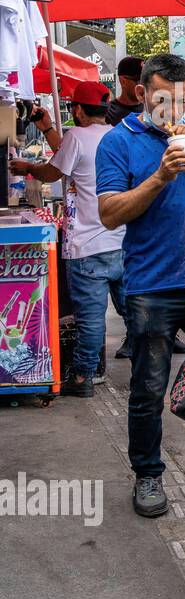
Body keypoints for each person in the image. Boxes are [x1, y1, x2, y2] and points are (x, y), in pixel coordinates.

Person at [97, 53, 185, 518]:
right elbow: (110, 214)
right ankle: (148, 474)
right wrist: (162, 175)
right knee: (149, 388)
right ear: (143, 94)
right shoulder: (117, 142)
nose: (175, 110)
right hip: (151, 287)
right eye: (165, 100)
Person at [10, 83, 129, 391]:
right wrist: (48, 128)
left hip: (86, 244)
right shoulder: (118, 135)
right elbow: (68, 156)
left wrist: (28, 168)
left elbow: (53, 172)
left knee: (90, 319)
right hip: (121, 241)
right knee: (133, 312)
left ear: (77, 110)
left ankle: (83, 378)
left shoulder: (76, 137)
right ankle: (144, 366)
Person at [107, 55, 143, 126]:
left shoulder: (151, 109)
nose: (143, 85)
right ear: (123, 81)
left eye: (147, 80)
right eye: (139, 81)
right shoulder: (108, 112)